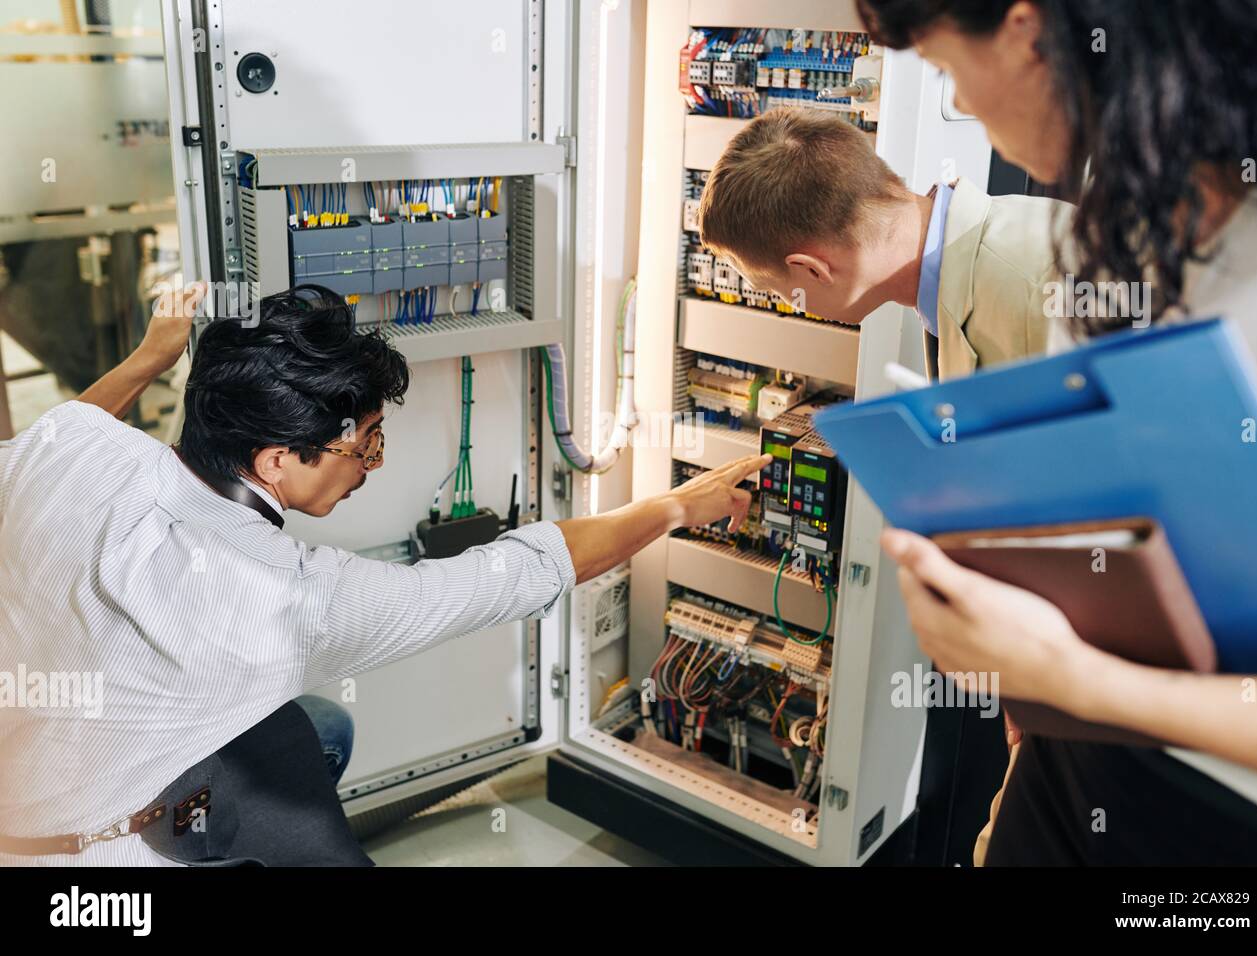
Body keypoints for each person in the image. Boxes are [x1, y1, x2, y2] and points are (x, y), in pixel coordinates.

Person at [0, 283, 768, 866]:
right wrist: (674, 506)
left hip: (29, 762)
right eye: (363, 445)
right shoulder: (287, 602)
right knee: (303, 746)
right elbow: (515, 573)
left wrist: (146, 359)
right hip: (87, 850)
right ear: (277, 460)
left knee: (317, 729)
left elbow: (68, 434)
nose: (372, 465)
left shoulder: (73, 442)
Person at [855, 0, 1257, 864]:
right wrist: (1026, 770)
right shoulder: (1119, 221)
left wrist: (1072, 681)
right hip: (1076, 762)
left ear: (1028, 32)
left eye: (948, 71)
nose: (964, 106)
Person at [698, 106, 1069, 380]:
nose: (793, 306)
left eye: (775, 290)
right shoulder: (950, 283)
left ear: (812, 269)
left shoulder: (1044, 287)